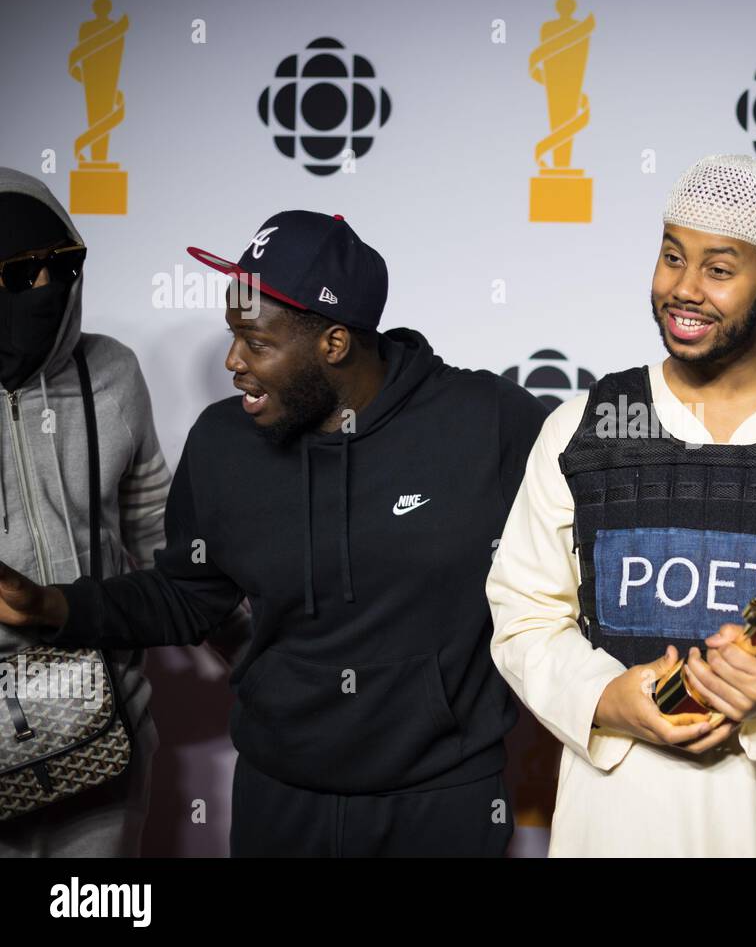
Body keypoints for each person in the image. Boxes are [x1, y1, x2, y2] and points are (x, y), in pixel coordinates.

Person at [0, 210, 547, 856]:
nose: (232, 361)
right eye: (231, 334)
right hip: (279, 803)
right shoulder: (223, 442)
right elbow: (186, 594)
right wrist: (56, 606)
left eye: (256, 342)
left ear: (334, 345)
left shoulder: (487, 423)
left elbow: (578, 546)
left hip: (441, 805)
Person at [486, 154, 756, 856]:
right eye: (671, 257)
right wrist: (608, 698)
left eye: (718, 269)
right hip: (620, 810)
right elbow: (524, 612)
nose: (683, 290)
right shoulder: (580, 428)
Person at [0, 169, 168, 857]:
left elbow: (161, 533)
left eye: (59, 267)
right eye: (17, 275)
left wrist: (258, 653)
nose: (43, 289)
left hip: (103, 718)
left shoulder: (112, 373)